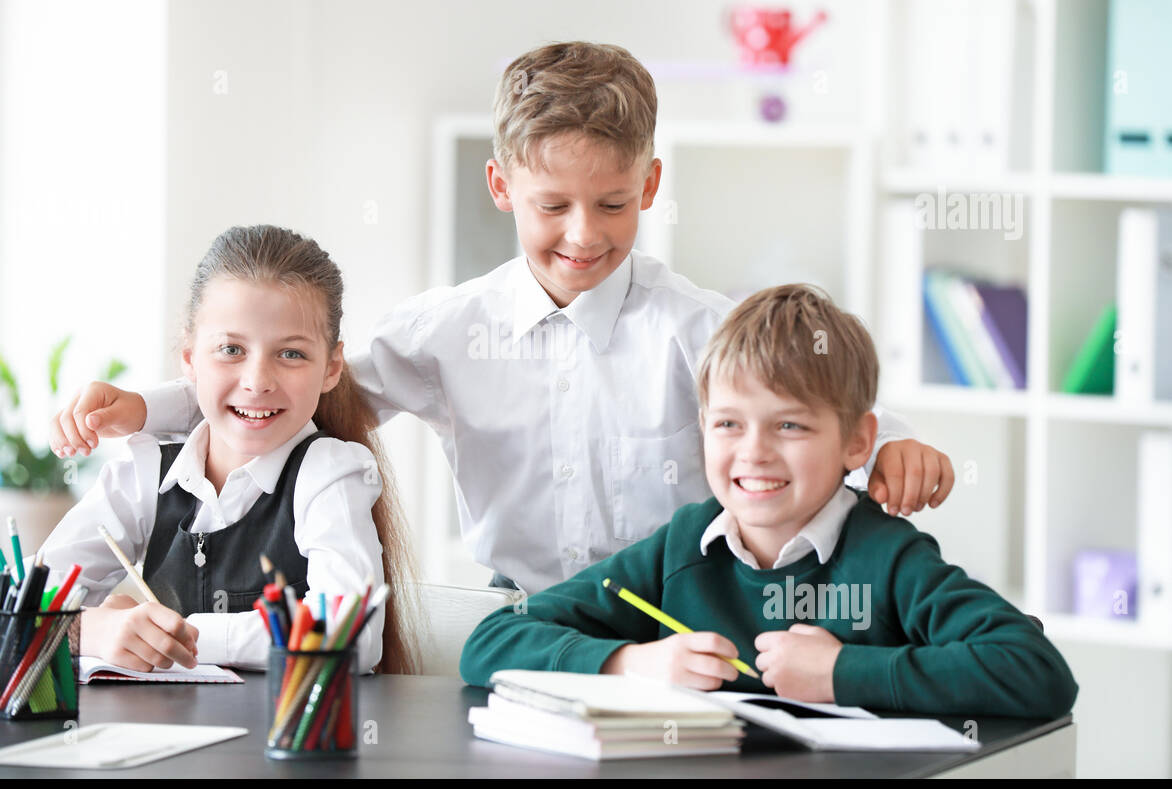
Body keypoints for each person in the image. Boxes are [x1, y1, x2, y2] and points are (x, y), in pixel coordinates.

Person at [47, 42, 954, 596]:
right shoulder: (450, 330)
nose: (582, 235)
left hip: (680, 608)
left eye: (610, 204)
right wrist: (150, 410)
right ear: (501, 188)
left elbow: (808, 396)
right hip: (517, 611)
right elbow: (298, 385)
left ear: (649, 185)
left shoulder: (693, 327)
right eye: (551, 205)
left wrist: (893, 444)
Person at [459, 284, 1078, 719]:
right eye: (728, 425)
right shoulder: (681, 548)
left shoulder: (888, 559)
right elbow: (490, 644)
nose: (753, 453)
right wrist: (633, 664)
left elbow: (1036, 671)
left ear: (857, 441)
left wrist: (843, 674)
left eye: (789, 427)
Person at [0, 226, 419, 672]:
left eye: (291, 354)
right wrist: (93, 632)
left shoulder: (329, 473)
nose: (257, 380)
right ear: (189, 358)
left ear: (331, 367)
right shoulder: (144, 473)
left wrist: (184, 634)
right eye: (230, 349)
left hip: (280, 740)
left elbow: (350, 635)